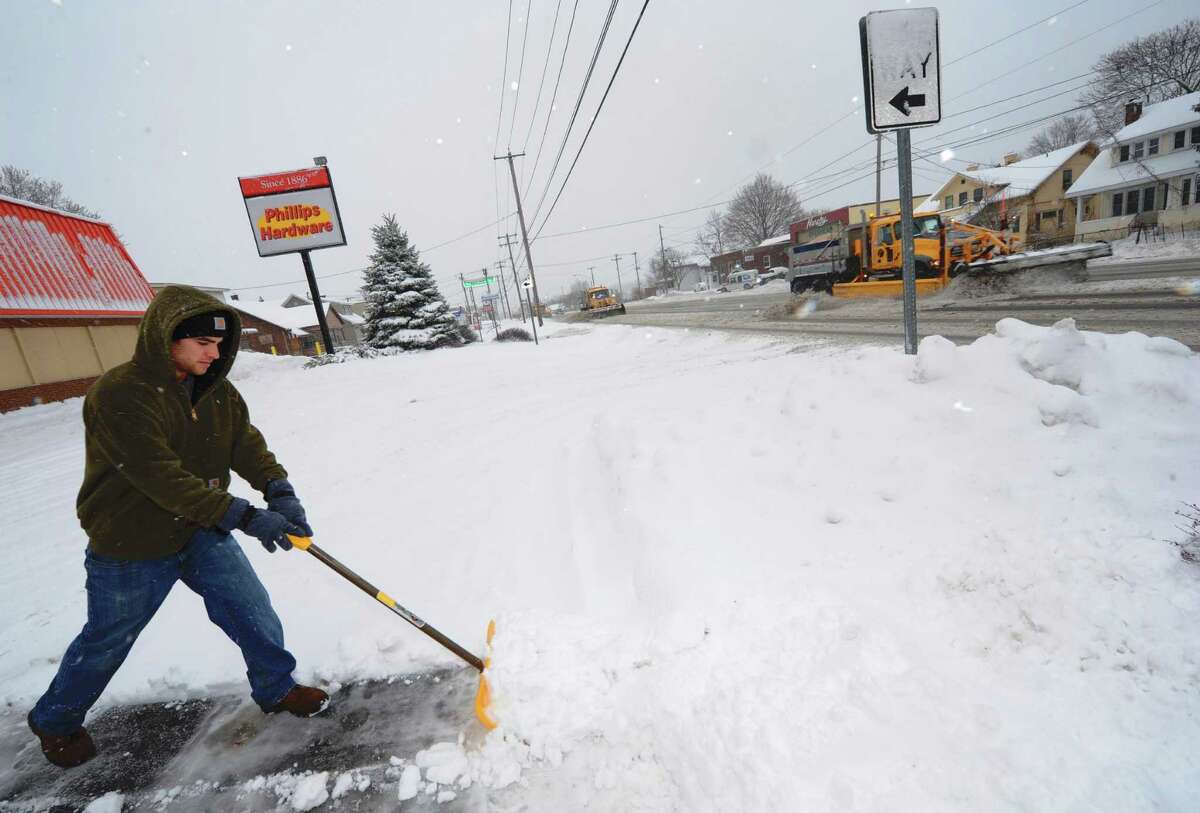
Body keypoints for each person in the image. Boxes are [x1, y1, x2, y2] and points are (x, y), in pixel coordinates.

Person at [27, 285, 329, 768]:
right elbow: (158, 475)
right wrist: (246, 516)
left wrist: (278, 489)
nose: (216, 353)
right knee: (107, 640)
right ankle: (55, 719)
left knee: (251, 609)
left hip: (199, 531)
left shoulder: (216, 390)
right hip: (133, 540)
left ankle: (276, 687)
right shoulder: (120, 394)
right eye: (203, 344)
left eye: (219, 344)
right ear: (167, 338)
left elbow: (245, 443)